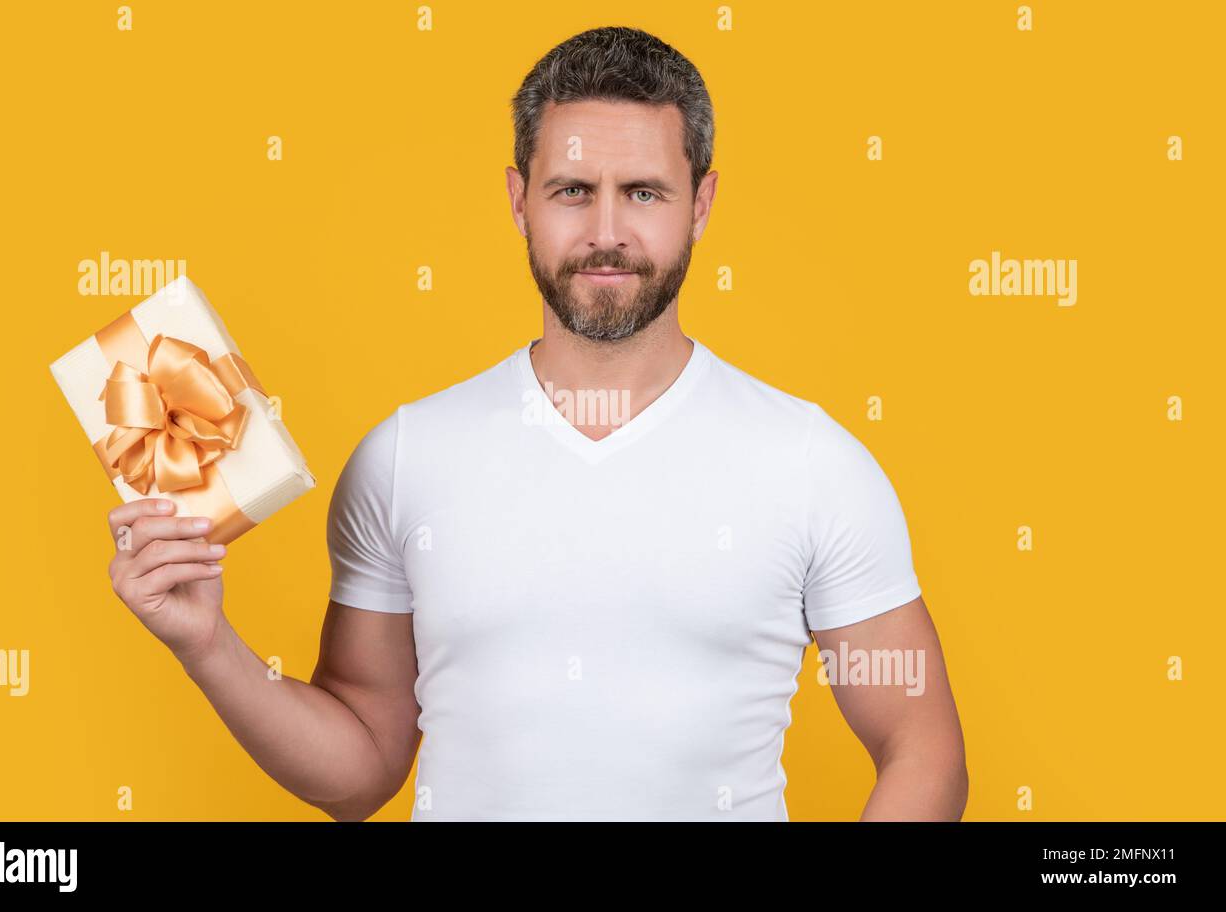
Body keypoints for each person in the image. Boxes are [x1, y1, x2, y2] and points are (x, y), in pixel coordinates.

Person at [106, 26, 967, 822]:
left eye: (643, 192)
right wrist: (209, 645)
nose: (605, 232)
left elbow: (922, 748)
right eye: (571, 190)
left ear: (700, 204)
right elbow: (362, 766)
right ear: (519, 199)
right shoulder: (406, 457)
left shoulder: (811, 463)